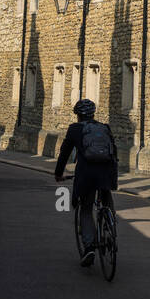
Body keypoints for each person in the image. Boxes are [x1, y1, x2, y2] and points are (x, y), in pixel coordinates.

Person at [55, 98, 118, 267]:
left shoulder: (75, 129)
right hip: (106, 172)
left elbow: (64, 153)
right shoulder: (104, 128)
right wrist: (113, 178)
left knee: (86, 208)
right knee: (106, 193)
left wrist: (58, 173)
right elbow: (114, 153)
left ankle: (89, 247)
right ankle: (111, 222)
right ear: (93, 114)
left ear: (78, 116)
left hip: (87, 174)